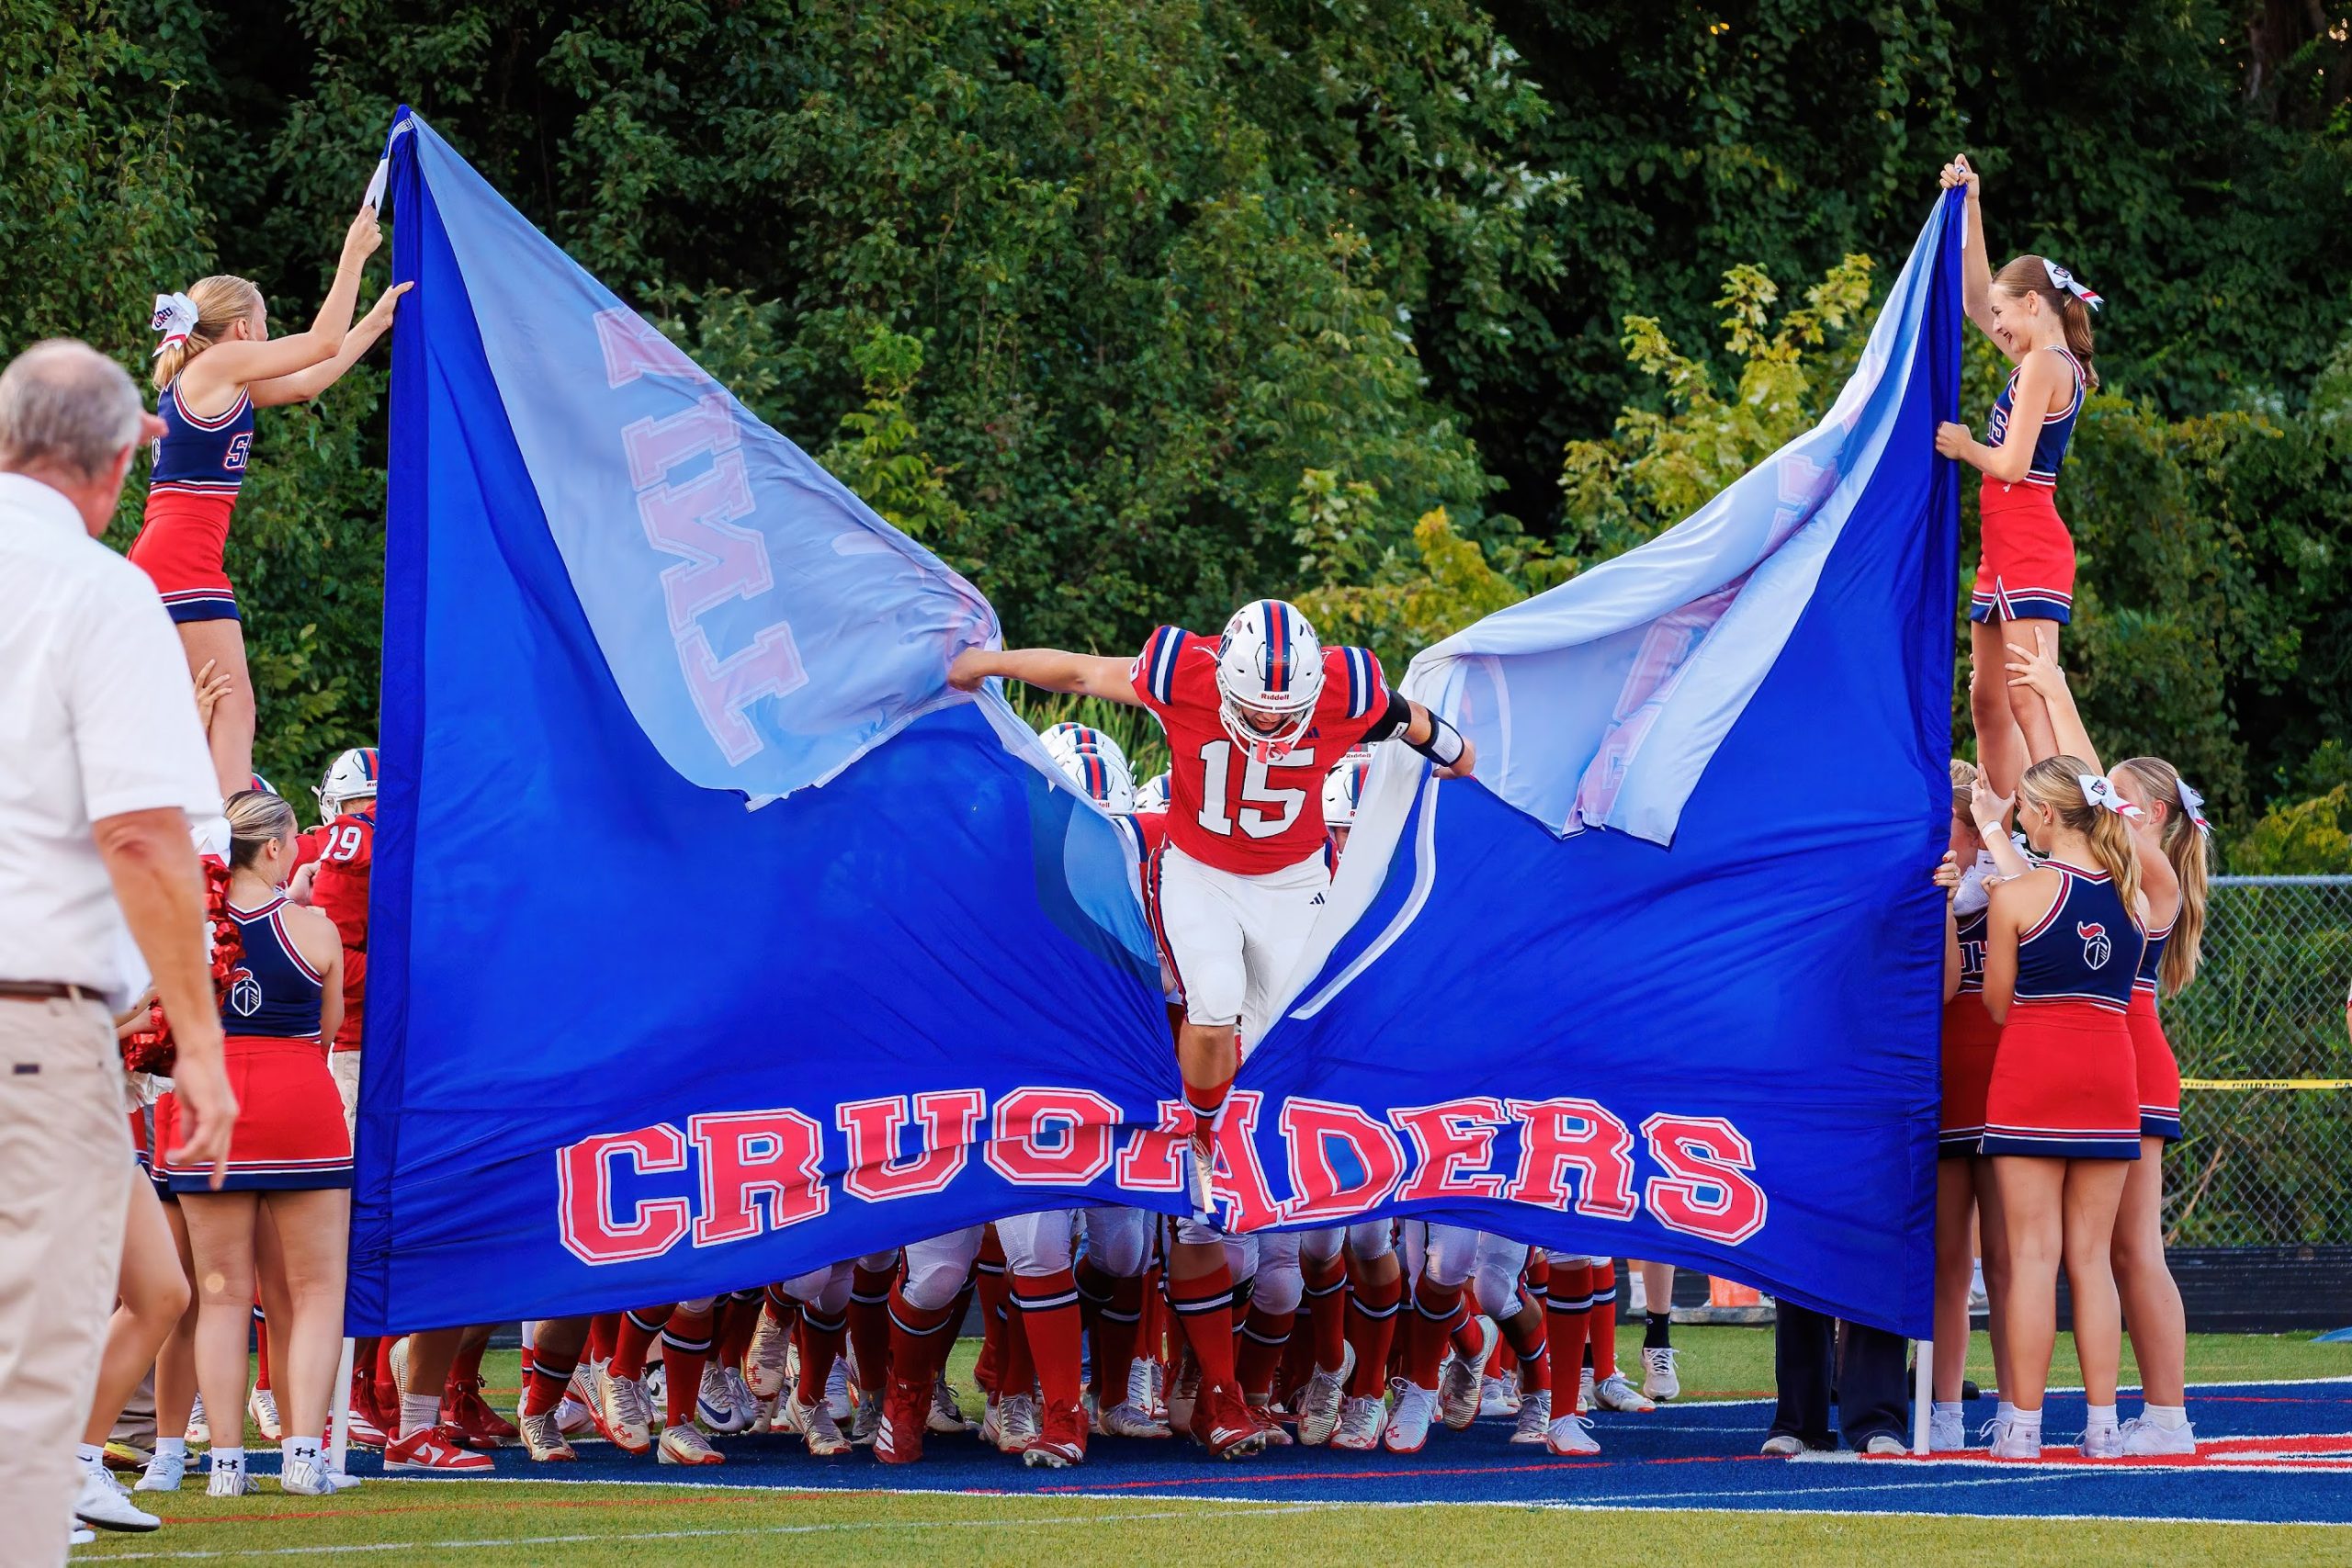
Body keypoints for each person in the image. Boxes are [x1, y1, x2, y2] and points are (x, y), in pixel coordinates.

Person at [949, 600, 1474, 1459]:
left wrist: (1453, 750)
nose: (1270, 723)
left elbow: (1409, 719)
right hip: (1182, 909)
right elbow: (1082, 671)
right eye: (1256, 708)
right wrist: (987, 667)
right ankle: (1198, 1137)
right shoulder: (1177, 692)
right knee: (1214, 1007)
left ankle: (1227, 1367)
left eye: (1285, 711)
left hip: (1292, 877)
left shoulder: (1344, 684)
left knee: (1274, 1049)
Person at [0, 339, 235, 1560]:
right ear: (114, 462)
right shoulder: (96, 589)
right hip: (26, 1016)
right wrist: (200, 1042)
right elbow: (143, 834)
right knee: (30, 1378)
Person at [129, 209, 411, 796]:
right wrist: (353, 255)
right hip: (182, 558)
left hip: (165, 554)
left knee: (206, 709)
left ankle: (201, 833)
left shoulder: (215, 376)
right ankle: (228, 846)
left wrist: (375, 324)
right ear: (238, 327)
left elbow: (310, 378)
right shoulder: (219, 364)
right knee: (235, 709)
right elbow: (318, 342)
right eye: (262, 321)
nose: (267, 331)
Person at [2007, 646, 2205, 1457]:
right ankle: (2144, 1414)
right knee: (2112, 1250)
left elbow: (2083, 790)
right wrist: (2032, 701)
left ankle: (2165, 1415)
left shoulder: (2144, 877)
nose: (2099, 805)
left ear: (2147, 816)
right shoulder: (2116, 878)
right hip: (2105, 1058)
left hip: (2124, 1059)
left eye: (2113, 799)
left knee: (2130, 1249)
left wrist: (2058, 692)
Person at [153, 789, 355, 1496]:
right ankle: (303, 1456)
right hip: (300, 1108)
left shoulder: (189, 928)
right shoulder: (316, 928)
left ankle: (226, 1466)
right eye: (295, 837)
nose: (301, 848)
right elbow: (326, 1032)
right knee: (318, 1288)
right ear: (272, 847)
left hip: (211, 1112)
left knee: (220, 1295)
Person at [1975, 756, 2146, 1461]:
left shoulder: (2017, 897)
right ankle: (2104, 1426)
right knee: (2093, 1262)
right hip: (2111, 1078)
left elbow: (1994, 1004)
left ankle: (2022, 1427)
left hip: (2033, 1075)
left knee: (2033, 1256)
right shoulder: (2134, 896)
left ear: (2045, 815)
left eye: (2022, 810)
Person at [1932, 153, 2102, 798]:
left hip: (2030, 539)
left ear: (2035, 304)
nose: (1996, 329)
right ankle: (1999, 818)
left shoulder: (2045, 364)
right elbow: (1977, 300)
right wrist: (1972, 202)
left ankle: (2066, 824)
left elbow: (2009, 463)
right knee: (1987, 699)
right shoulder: (2036, 351)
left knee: (2034, 699)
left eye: (2007, 319)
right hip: (2001, 547)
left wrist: (1964, 444)